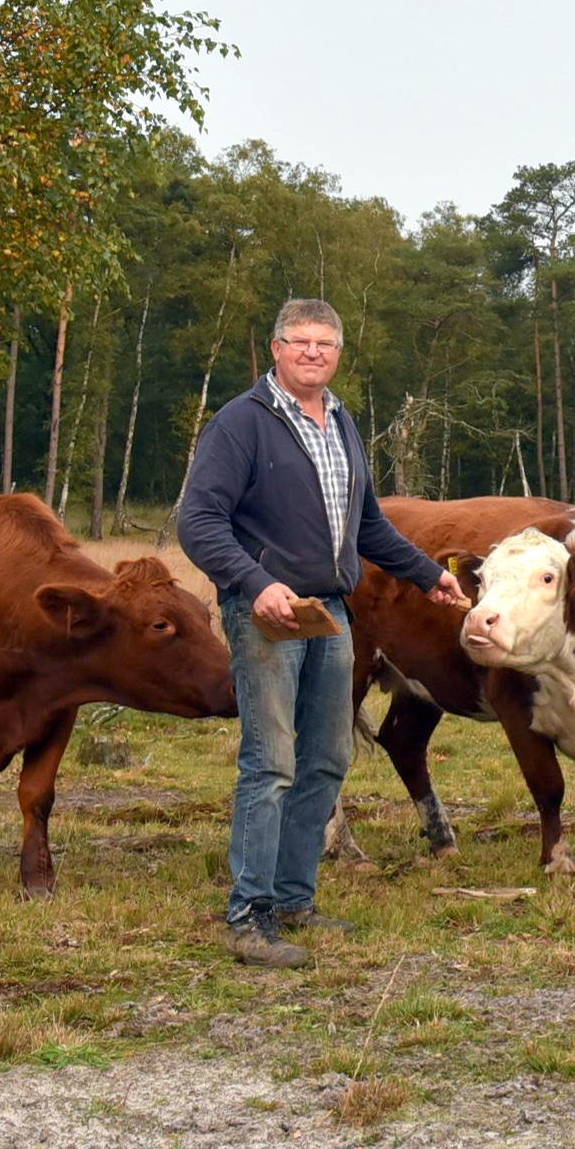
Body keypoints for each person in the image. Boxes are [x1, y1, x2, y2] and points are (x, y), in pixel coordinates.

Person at [178, 299, 466, 967]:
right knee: (271, 761)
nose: (313, 352)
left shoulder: (340, 421)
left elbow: (367, 525)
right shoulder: (241, 424)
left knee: (328, 758)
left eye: (325, 343)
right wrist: (257, 583)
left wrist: (428, 574)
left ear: (339, 352)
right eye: (300, 341)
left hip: (332, 611)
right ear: (274, 348)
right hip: (267, 615)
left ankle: (292, 899)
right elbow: (198, 520)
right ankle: (248, 917)